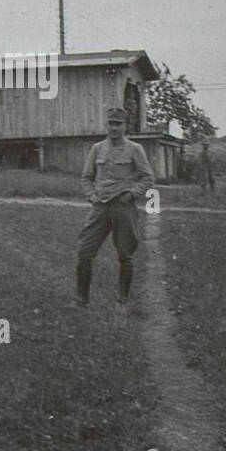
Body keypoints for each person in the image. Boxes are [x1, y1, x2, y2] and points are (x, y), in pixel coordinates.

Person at [75, 107, 154, 305]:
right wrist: (91, 196)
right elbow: (86, 177)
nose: (114, 128)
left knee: (125, 255)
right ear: (106, 125)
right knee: (84, 251)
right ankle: (81, 299)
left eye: (118, 124)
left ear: (125, 126)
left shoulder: (135, 149)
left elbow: (148, 177)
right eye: (111, 123)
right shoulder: (97, 149)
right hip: (100, 207)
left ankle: (122, 299)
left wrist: (132, 194)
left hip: (122, 207)